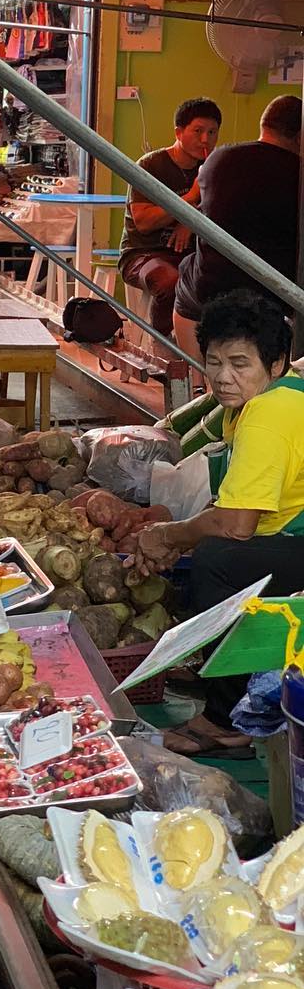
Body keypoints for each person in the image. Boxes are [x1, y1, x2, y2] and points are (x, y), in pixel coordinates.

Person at [127, 290, 304, 759]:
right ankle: (219, 665)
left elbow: (237, 525)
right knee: (202, 550)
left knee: (217, 560)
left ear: (277, 361)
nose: (224, 377)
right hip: (288, 539)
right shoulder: (249, 406)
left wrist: (168, 536)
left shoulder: (270, 413)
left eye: (240, 363)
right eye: (214, 362)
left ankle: (229, 721)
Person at [174, 94, 300, 362]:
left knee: (186, 272)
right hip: (279, 288)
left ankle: (200, 379)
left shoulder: (218, 159)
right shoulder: (298, 172)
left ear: (264, 125)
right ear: (300, 136)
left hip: (214, 285)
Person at [118, 97, 221, 336]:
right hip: (143, 253)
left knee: (229, 282)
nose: (205, 139)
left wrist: (188, 222)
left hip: (192, 254)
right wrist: (191, 199)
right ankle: (163, 348)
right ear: (178, 132)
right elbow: (143, 222)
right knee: (169, 281)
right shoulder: (151, 165)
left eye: (212, 132)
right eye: (198, 131)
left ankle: (205, 349)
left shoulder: (213, 167)